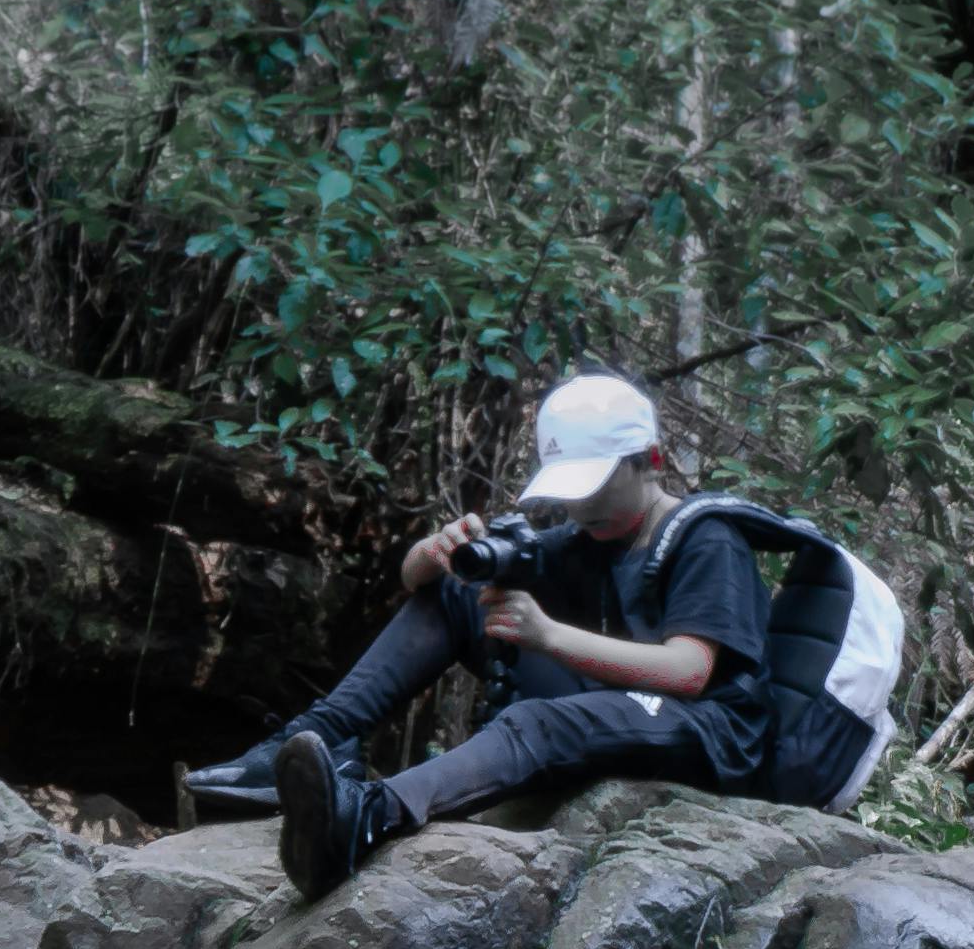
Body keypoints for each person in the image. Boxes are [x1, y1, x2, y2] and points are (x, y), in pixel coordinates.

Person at [186, 372, 777, 899]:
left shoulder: (707, 539)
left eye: (597, 484)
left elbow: (689, 672)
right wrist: (434, 552)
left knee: (540, 722)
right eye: (571, 489)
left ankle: (365, 818)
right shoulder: (586, 537)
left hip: (706, 729)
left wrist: (548, 637)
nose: (582, 504)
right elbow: (424, 581)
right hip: (627, 704)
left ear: (652, 459)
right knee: (459, 595)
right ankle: (321, 736)